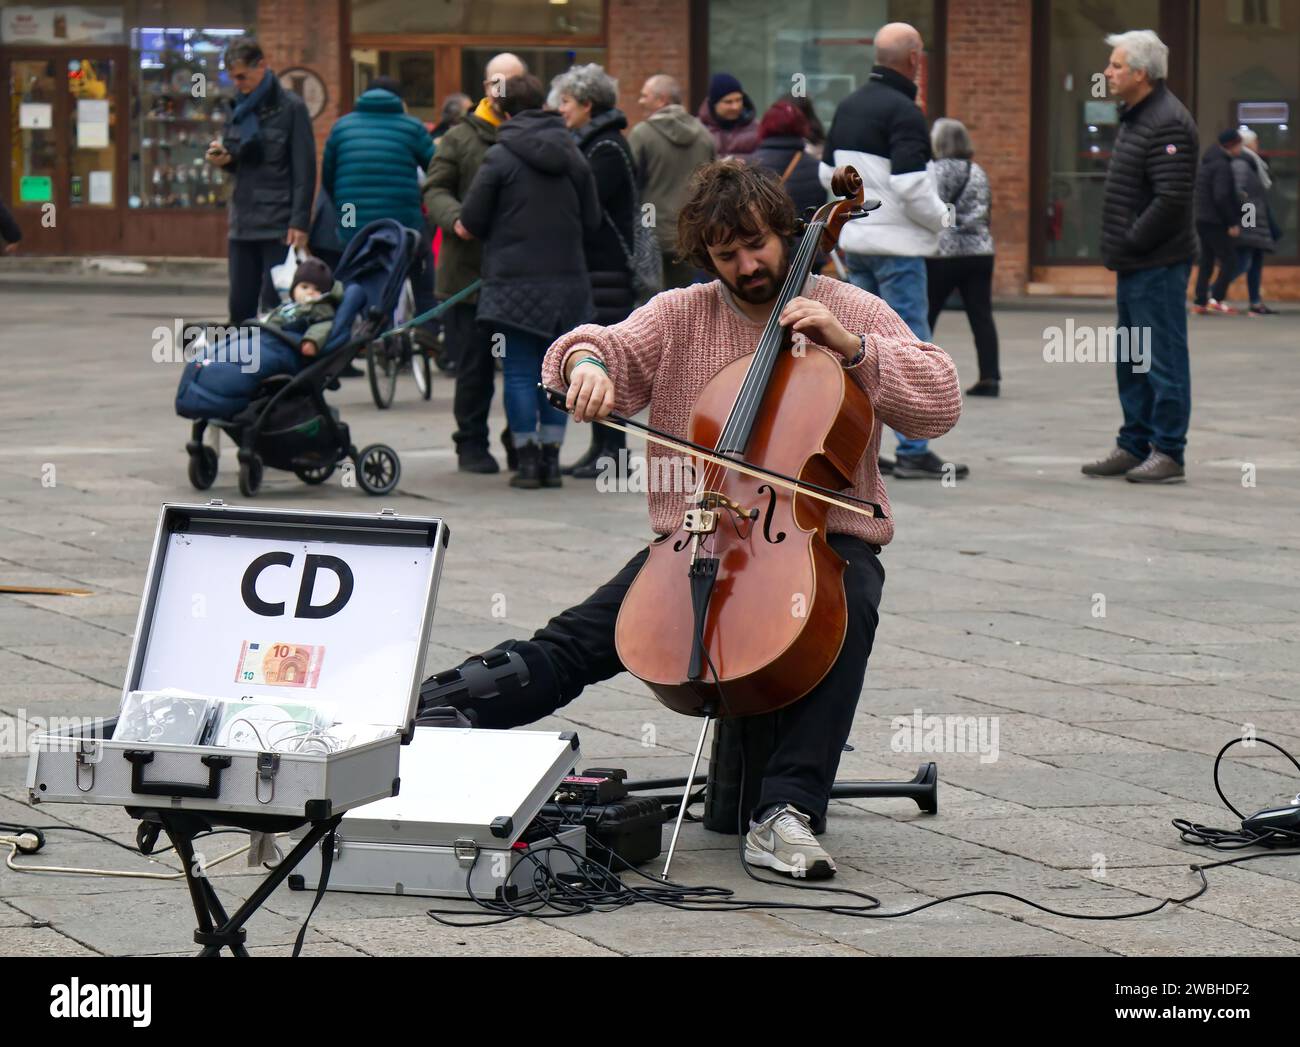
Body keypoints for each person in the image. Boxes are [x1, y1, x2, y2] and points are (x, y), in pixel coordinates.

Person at [419, 161, 961, 878]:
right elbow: (593, 346)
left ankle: (787, 811)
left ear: (786, 233)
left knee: (849, 606)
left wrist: (855, 350)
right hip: (698, 533)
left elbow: (940, 400)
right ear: (705, 255)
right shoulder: (683, 314)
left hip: (820, 539)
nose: (747, 265)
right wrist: (587, 364)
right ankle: (430, 715)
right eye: (726, 254)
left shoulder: (846, 308)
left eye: (759, 245)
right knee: (583, 635)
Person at [821, 22, 967, 480]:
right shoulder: (905, 111)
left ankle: (862, 442)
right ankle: (914, 448)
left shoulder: (847, 106)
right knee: (908, 344)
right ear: (914, 60)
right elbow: (911, 186)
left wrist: (856, 212)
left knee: (855, 346)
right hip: (899, 249)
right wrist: (944, 219)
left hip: (857, 242)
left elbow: (828, 172)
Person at [457, 74, 600, 489]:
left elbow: (473, 219)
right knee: (557, 373)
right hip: (568, 282)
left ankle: (528, 461)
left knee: (520, 371)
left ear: (503, 110)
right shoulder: (573, 153)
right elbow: (592, 220)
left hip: (512, 283)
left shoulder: (500, 156)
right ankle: (553, 460)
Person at [1085, 29, 1197, 485]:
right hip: (1136, 263)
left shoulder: (1167, 120)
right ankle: (1135, 443)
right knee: (1133, 358)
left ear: (1141, 74)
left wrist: (1130, 240)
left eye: (1115, 65)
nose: (1108, 73)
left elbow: (1171, 198)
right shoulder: (1137, 115)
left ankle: (1168, 450)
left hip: (1158, 263)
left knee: (1163, 357)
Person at [424, 52, 526, 474]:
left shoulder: (533, 132)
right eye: (498, 83)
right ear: (486, 88)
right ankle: (471, 442)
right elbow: (435, 189)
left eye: (514, 83)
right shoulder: (459, 137)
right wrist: (456, 220)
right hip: (468, 273)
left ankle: (521, 442)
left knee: (524, 367)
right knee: (474, 366)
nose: (505, 92)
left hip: (521, 277)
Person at [553, 63, 637, 480]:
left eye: (566, 102)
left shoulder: (605, 148)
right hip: (597, 266)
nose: (561, 110)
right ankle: (599, 448)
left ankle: (612, 454)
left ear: (587, 104)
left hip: (608, 267)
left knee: (608, 359)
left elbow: (587, 206)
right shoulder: (594, 142)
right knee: (599, 358)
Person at [205, 37, 316, 325]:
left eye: (242, 76)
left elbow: (304, 169)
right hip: (242, 221)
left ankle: (276, 365)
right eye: (233, 77)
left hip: (278, 223)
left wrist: (299, 222)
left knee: (275, 305)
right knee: (239, 304)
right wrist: (224, 160)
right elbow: (238, 160)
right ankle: (240, 366)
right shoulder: (237, 109)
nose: (238, 83)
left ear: (262, 66)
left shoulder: (291, 108)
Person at [321, 76, 436, 341]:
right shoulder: (411, 127)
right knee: (421, 265)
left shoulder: (341, 127)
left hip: (354, 222)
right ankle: (428, 326)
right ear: (401, 101)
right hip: (403, 221)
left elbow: (328, 176)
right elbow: (435, 169)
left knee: (355, 271)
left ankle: (353, 330)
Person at [175, 258, 341, 420]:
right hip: (263, 336)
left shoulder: (320, 309)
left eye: (317, 290)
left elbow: (322, 326)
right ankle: (208, 354)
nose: (310, 292)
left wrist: (311, 341)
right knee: (225, 351)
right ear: (293, 290)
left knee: (237, 365)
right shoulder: (287, 307)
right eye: (304, 287)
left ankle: (211, 392)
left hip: (286, 344)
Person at [925, 118, 1001, 397]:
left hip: (944, 253)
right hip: (980, 251)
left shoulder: (934, 171)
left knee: (927, 312)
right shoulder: (978, 171)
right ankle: (990, 376)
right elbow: (985, 210)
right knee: (981, 315)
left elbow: (929, 209)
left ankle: (918, 372)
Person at [628, 73, 716, 290]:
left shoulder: (642, 134)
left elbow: (629, 182)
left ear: (662, 99)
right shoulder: (704, 136)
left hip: (651, 233)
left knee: (650, 304)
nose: (640, 101)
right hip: (690, 231)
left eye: (644, 96)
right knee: (686, 301)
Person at [1192, 129, 1245, 316]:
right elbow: (1221, 196)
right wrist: (1232, 222)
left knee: (1206, 261)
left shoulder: (1208, 162)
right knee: (1230, 260)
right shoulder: (1222, 165)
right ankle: (1217, 298)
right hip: (1215, 220)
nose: (1242, 148)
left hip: (1202, 218)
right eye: (1240, 144)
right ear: (1232, 145)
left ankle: (1200, 301)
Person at [1231, 129, 1279, 316]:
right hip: (1251, 220)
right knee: (1244, 262)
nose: (1258, 145)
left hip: (1256, 219)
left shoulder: (1253, 162)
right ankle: (1212, 293)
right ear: (1247, 144)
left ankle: (1255, 301)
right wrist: (1248, 223)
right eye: (1256, 141)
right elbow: (1242, 194)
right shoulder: (1243, 162)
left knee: (1255, 261)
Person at [751, 99, 825, 218]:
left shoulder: (749, 165)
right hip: (806, 235)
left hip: (765, 235)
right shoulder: (816, 167)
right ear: (801, 126)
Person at [696, 73, 761, 159]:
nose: (735, 107)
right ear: (713, 104)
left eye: (738, 100)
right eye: (728, 102)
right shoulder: (697, 129)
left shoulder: (757, 128)